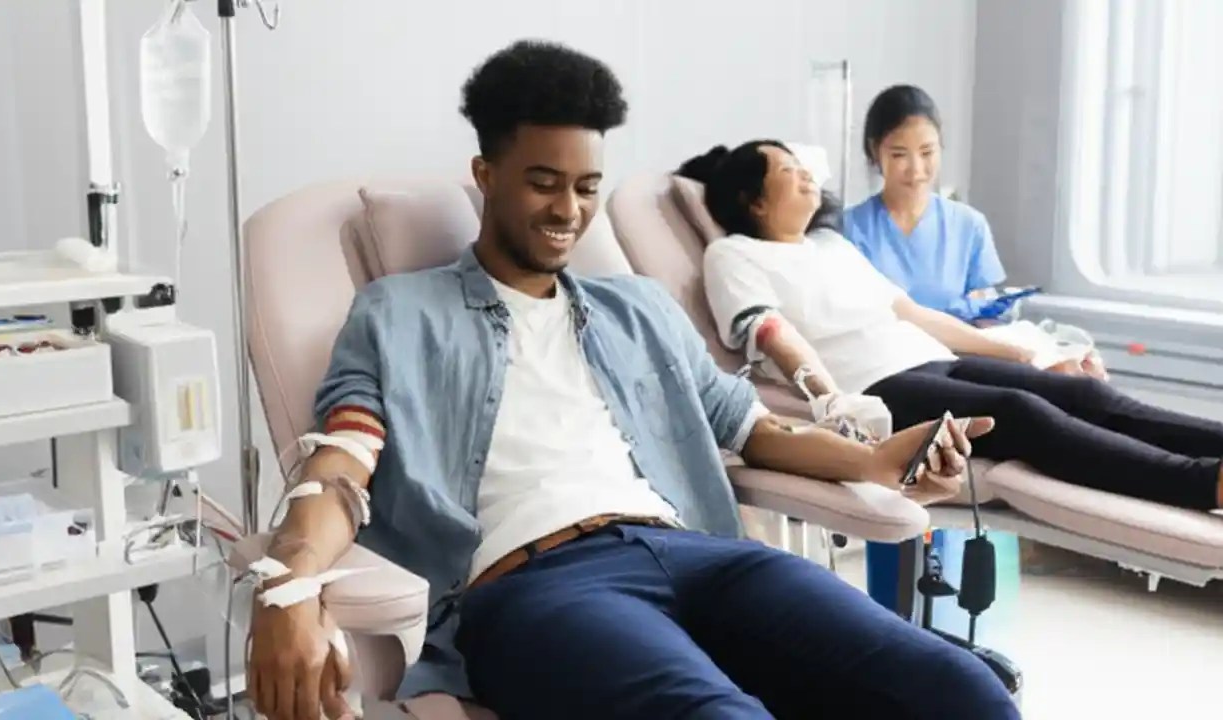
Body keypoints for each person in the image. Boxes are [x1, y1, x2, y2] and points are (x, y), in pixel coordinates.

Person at [246, 41, 1018, 720]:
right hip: (537, 587)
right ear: (485, 174)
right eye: (543, 182)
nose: (570, 211)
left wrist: (877, 460)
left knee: (961, 688)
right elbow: (339, 467)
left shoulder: (637, 308)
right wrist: (289, 585)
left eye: (586, 187)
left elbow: (749, 427)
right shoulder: (398, 314)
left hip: (698, 556)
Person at [681, 139, 1223, 520]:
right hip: (876, 382)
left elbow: (911, 313)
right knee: (1018, 414)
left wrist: (1013, 353)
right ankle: (1203, 482)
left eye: (804, 167)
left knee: (1081, 391)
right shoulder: (733, 254)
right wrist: (830, 399)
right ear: (754, 200)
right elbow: (771, 331)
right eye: (788, 171)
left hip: (927, 354)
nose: (806, 175)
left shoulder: (832, 247)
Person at [842, 85, 1010, 324]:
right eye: (899, 155)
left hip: (960, 354)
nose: (916, 170)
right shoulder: (849, 230)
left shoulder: (969, 226)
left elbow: (987, 312)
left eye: (927, 152)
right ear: (874, 151)